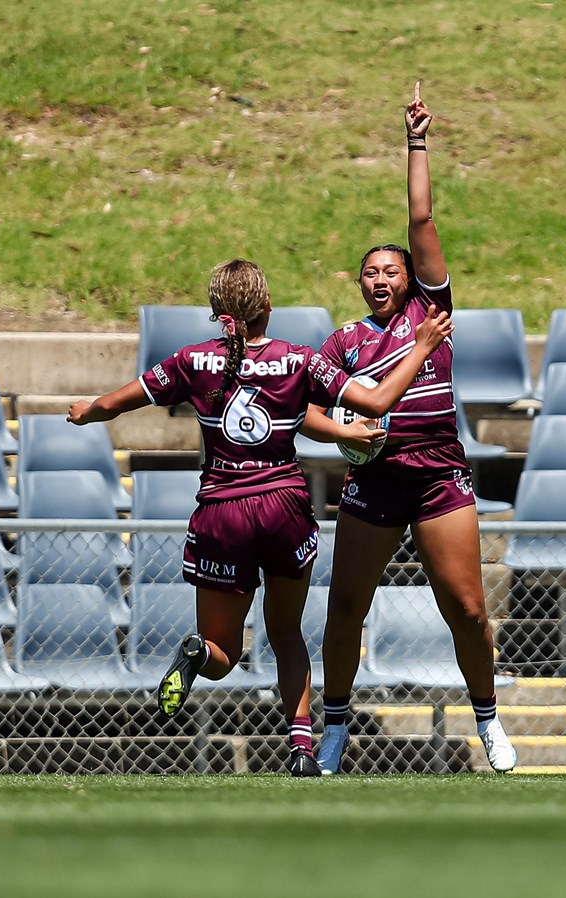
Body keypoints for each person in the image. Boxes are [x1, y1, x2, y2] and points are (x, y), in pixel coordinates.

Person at [67, 258, 452, 777]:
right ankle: (300, 750)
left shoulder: (192, 361)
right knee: (287, 633)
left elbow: (116, 402)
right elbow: (379, 399)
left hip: (221, 514)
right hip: (284, 510)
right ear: (267, 307)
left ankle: (197, 653)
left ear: (215, 313)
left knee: (223, 651)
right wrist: (422, 346)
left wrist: (88, 410)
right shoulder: (298, 360)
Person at [301, 82, 518, 775]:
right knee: (344, 611)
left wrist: (416, 140)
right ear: (360, 286)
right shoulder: (342, 344)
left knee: (468, 608)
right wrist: (342, 436)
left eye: (390, 269)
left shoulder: (432, 307)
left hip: (439, 477)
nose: (380, 278)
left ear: (412, 279)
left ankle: (486, 720)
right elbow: (304, 409)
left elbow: (421, 220)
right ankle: (333, 727)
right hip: (375, 484)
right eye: (369, 273)